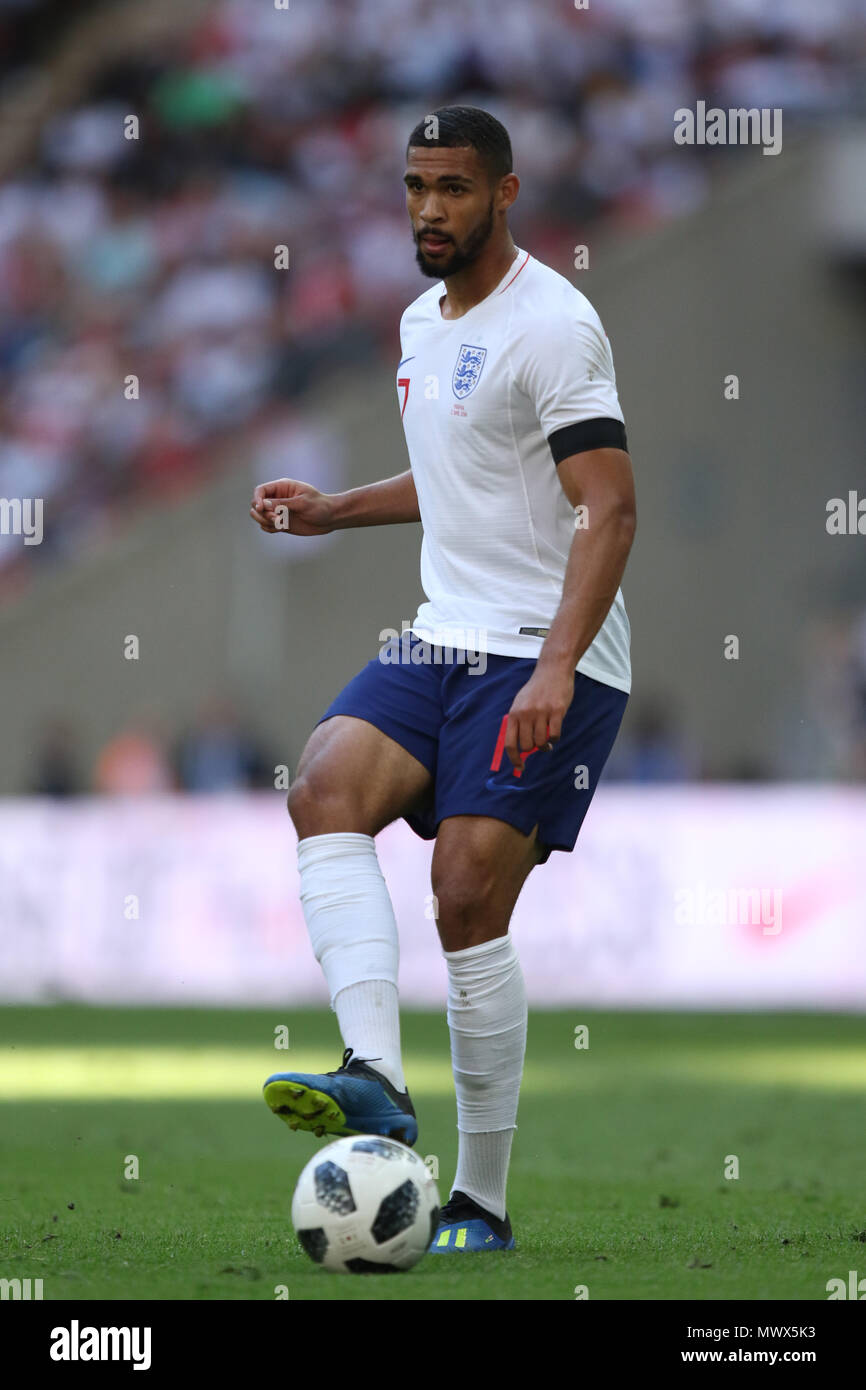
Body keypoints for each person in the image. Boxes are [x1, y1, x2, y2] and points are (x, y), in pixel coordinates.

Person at [249, 106, 636, 1253]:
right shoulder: (421, 318)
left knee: (466, 896)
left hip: (547, 646)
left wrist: (555, 666)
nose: (429, 208)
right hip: (441, 632)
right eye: (416, 185)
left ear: (504, 195)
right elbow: (458, 478)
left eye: (455, 188)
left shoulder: (556, 327)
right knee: (323, 784)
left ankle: (479, 1200)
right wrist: (335, 509)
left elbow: (605, 508)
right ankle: (372, 1072)